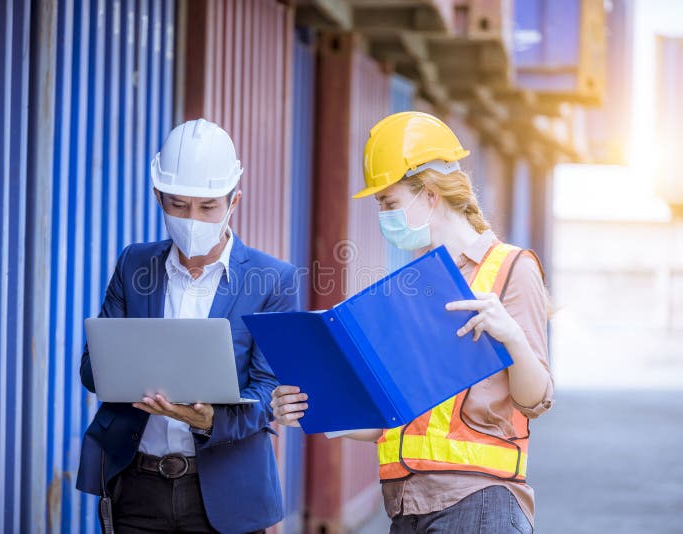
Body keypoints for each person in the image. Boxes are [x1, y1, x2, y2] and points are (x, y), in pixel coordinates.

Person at [271, 112, 554, 534]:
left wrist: (510, 335)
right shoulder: (410, 286)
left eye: (390, 203)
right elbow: (393, 418)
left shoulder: (512, 268)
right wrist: (312, 409)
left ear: (431, 195)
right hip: (407, 506)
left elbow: (537, 399)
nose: (384, 216)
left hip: (479, 504)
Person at [77, 118, 300, 533]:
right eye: (177, 205)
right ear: (158, 196)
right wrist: (127, 374)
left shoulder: (273, 280)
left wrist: (210, 420)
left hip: (227, 494)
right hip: (137, 487)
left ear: (234, 201)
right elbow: (92, 369)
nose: (191, 218)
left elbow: (270, 389)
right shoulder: (133, 264)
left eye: (207, 206)